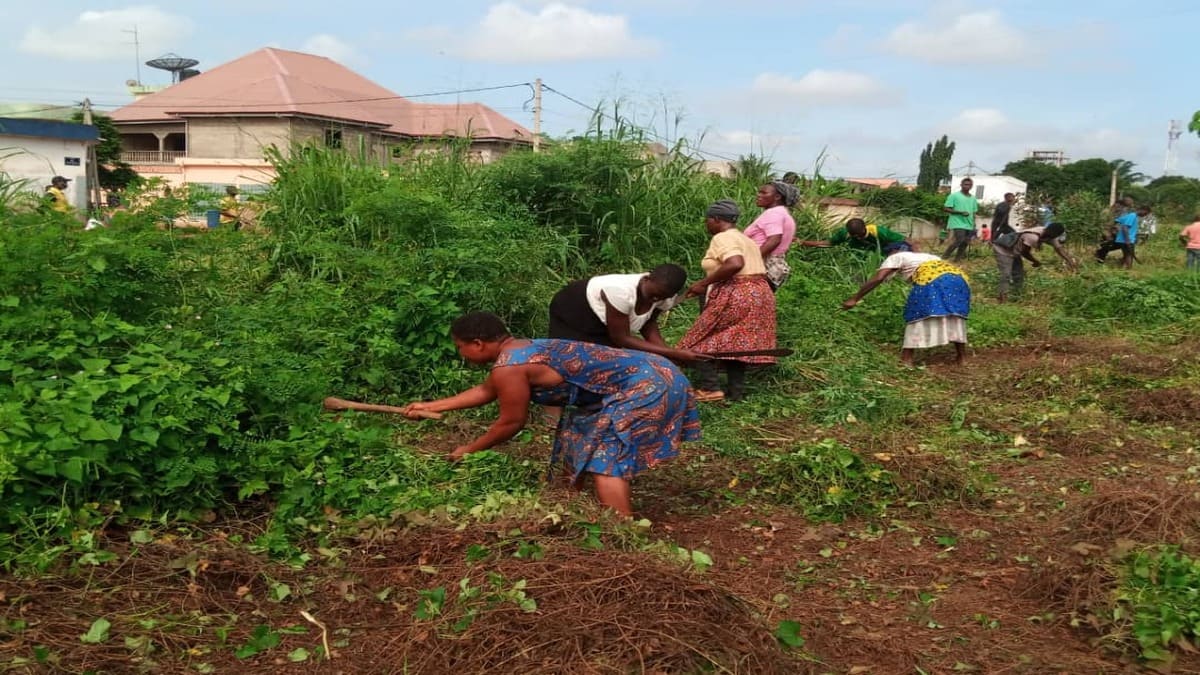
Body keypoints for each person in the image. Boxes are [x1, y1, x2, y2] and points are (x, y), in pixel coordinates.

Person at [401, 312, 700, 516]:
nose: (462, 354)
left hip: (648, 385)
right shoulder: (519, 350)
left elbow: (511, 423)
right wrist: (428, 406)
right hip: (657, 370)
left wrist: (468, 450)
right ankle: (572, 505)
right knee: (578, 432)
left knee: (606, 458)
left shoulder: (511, 366)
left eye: (460, 348)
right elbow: (484, 392)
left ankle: (622, 534)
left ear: (478, 344)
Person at [676, 199, 777, 402]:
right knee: (735, 345)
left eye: (708, 220)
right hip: (760, 292)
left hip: (738, 293)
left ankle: (711, 388)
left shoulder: (723, 238)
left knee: (697, 340)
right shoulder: (746, 239)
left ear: (715, 219)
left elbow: (734, 263)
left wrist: (703, 284)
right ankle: (736, 393)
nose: (706, 224)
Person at [547, 264, 703, 362]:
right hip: (574, 311)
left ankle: (592, 406)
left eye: (661, 297)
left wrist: (669, 356)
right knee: (568, 357)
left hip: (608, 323)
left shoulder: (664, 297)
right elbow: (621, 338)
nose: (656, 299)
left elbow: (648, 324)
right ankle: (553, 408)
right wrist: (672, 353)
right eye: (653, 295)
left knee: (606, 359)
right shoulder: (620, 292)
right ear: (646, 279)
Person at [841, 251, 971, 365]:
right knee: (955, 315)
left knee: (917, 313)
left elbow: (879, 278)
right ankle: (962, 357)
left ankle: (906, 358)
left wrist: (855, 298)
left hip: (932, 280)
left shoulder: (895, 257)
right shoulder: (928, 256)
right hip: (959, 279)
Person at [991, 223, 1078, 302]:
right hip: (1002, 249)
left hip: (1015, 250)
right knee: (1006, 274)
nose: (1048, 240)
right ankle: (1002, 298)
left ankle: (1017, 295)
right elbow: (1025, 252)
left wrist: (1070, 261)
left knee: (1019, 273)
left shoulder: (1051, 236)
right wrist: (1035, 261)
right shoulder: (1032, 237)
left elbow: (1059, 249)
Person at [743, 181, 798, 290]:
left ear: (777, 197)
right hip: (772, 265)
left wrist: (750, 260)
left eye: (764, 193)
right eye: (759, 192)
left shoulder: (774, 213)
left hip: (761, 265)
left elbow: (774, 240)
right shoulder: (782, 213)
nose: (758, 195)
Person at [801, 217, 915, 255]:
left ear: (864, 228)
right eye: (855, 236)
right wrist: (802, 242)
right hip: (864, 258)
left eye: (860, 235)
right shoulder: (844, 234)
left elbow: (906, 241)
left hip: (886, 251)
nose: (858, 238)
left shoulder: (877, 231)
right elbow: (827, 243)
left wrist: (919, 254)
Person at [942, 178, 979, 261]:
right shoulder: (954, 196)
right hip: (957, 222)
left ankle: (957, 260)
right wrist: (960, 212)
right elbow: (946, 208)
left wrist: (974, 223)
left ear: (971, 186)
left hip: (969, 223)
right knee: (959, 240)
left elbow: (973, 212)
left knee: (965, 242)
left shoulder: (973, 198)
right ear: (961, 185)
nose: (967, 186)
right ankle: (944, 257)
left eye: (969, 185)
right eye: (965, 184)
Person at [1095, 202, 1141, 268]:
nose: (1121, 209)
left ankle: (1124, 263)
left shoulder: (1121, 213)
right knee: (1105, 247)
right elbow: (1101, 225)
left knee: (1124, 246)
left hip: (1113, 234)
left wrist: (1116, 231)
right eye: (1120, 207)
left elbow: (1118, 224)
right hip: (1105, 234)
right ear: (1115, 205)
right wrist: (1108, 234)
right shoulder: (1106, 213)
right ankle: (1099, 261)